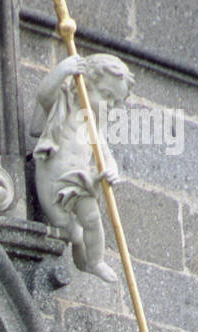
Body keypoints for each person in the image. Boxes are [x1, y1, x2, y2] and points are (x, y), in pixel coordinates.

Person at [30, 53, 134, 282]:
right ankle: (80, 250)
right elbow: (44, 95)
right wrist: (63, 70)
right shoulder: (64, 107)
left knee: (93, 221)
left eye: (114, 102)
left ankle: (95, 261)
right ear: (85, 84)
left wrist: (111, 171)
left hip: (78, 182)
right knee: (68, 229)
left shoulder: (94, 128)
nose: (108, 106)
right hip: (52, 180)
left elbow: (106, 156)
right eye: (106, 96)